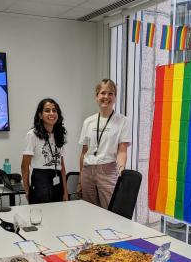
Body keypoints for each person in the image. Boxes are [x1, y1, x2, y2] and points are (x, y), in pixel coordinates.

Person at [78, 79, 130, 208]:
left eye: (111, 93)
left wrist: (121, 168)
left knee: (109, 211)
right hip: (87, 171)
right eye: (103, 93)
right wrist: (80, 177)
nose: (106, 97)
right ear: (97, 96)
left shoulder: (122, 121)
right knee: (89, 211)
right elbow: (84, 152)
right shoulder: (88, 121)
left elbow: (122, 150)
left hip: (108, 170)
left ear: (115, 97)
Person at [21, 98, 68, 204]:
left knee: (59, 215)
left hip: (57, 179)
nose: (51, 113)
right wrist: (27, 191)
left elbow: (62, 166)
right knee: (42, 216)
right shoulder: (32, 134)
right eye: (47, 110)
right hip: (40, 180)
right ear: (40, 115)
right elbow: (24, 166)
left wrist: (65, 191)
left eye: (54, 110)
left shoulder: (59, 135)